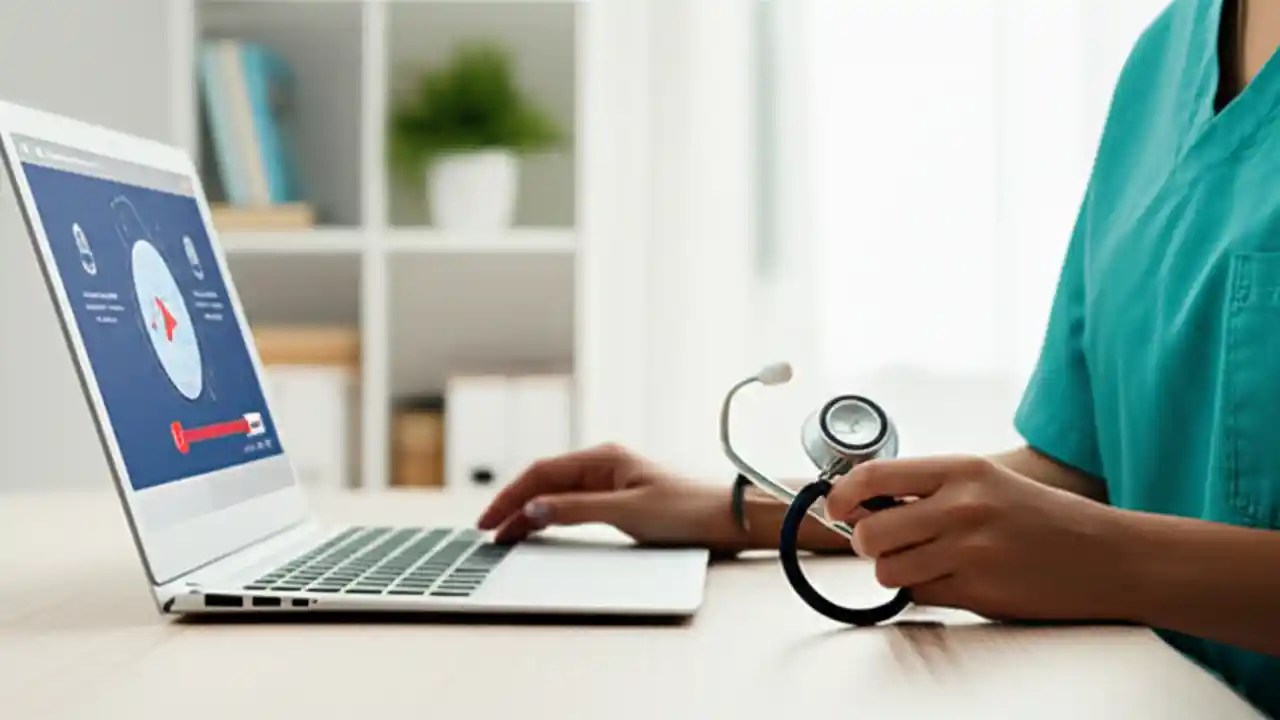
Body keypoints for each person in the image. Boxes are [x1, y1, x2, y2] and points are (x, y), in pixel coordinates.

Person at [477, 0, 1280, 715]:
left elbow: (1088, 535)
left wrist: (1110, 563)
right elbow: (1084, 472)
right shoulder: (1164, 56)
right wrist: (736, 509)